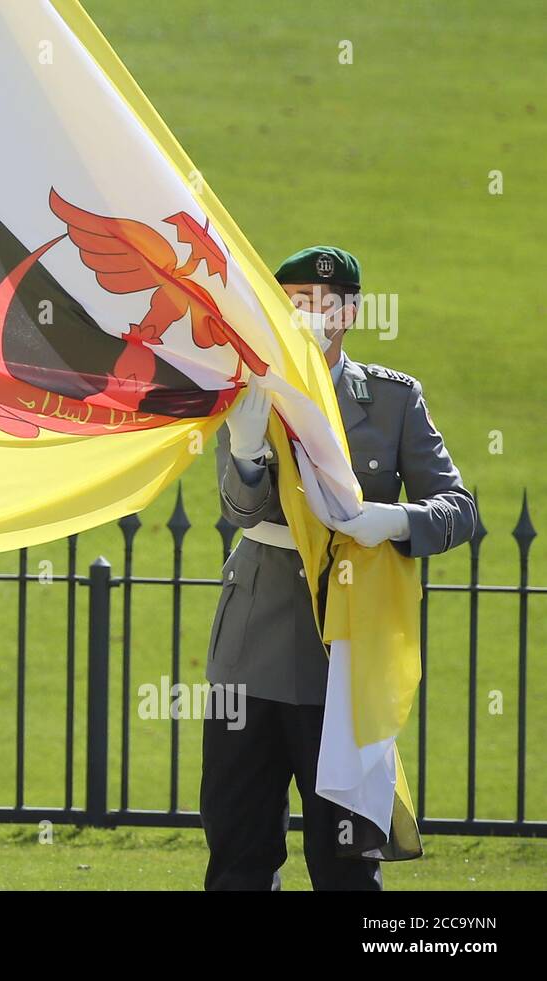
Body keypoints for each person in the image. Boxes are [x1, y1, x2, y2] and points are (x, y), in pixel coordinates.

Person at [201, 245, 477, 890]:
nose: (310, 315)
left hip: (346, 654)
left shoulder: (392, 400)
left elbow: (458, 509)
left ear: (352, 312)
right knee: (240, 849)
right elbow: (242, 511)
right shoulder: (251, 390)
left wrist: (399, 521)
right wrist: (245, 452)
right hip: (253, 648)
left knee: (346, 863)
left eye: (325, 304)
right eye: (295, 304)